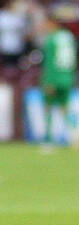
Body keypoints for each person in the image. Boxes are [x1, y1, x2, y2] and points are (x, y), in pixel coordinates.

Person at [39, 10, 77, 142]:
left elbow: (50, 62)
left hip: (54, 77)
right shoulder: (69, 36)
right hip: (68, 77)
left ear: (52, 23)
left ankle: (49, 138)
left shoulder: (51, 39)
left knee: (48, 107)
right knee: (65, 107)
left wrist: (49, 80)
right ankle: (75, 136)